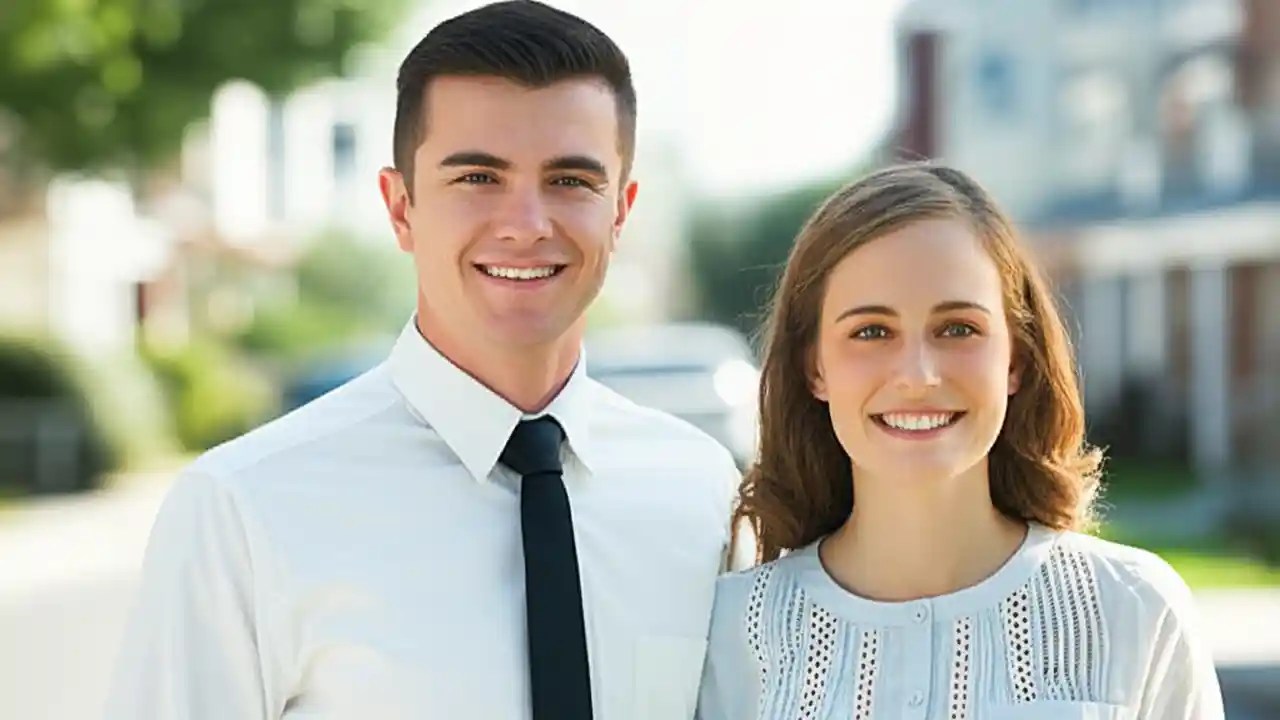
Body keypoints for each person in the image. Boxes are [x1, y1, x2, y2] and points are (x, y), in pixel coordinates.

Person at [105, 2, 741, 718]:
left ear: (620, 211)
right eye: (478, 178)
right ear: (400, 207)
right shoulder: (243, 508)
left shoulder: (700, 492)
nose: (527, 225)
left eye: (570, 180)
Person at [695, 163, 1225, 720]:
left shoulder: (1135, 611)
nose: (918, 374)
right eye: (871, 332)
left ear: (1016, 358)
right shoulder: (735, 631)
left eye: (958, 329)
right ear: (815, 368)